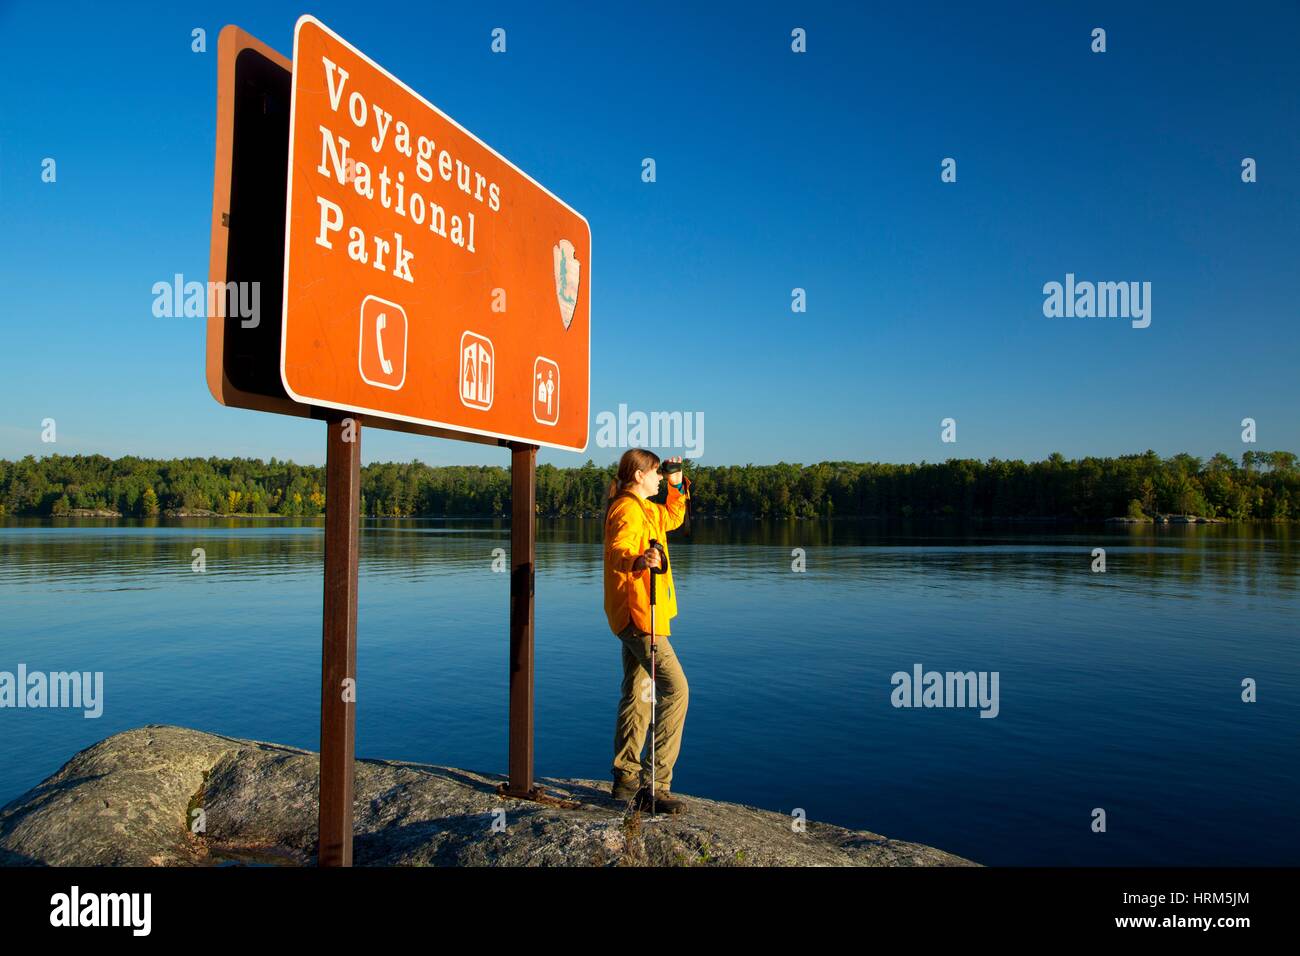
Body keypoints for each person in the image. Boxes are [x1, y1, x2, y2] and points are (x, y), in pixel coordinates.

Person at [603, 448, 691, 814]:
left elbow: (674, 515)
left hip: (638, 617)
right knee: (676, 691)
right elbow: (618, 549)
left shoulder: (647, 509)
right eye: (655, 472)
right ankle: (655, 785)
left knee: (638, 693)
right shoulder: (625, 509)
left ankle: (625, 778)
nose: (657, 478)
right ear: (638, 475)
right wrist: (639, 560)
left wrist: (675, 479)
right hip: (640, 617)